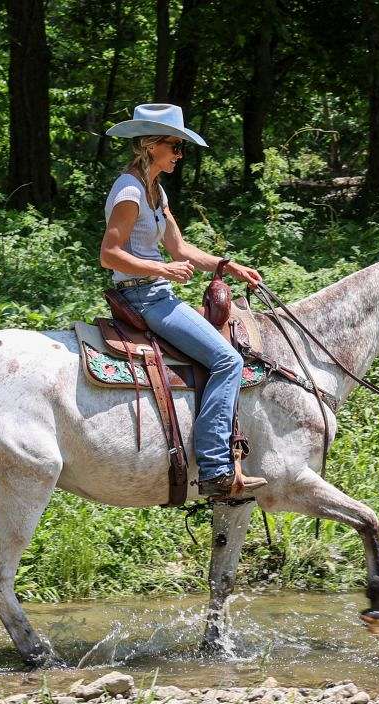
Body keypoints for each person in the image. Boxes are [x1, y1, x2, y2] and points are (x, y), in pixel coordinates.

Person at [99, 103, 267, 499]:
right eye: (175, 146)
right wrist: (162, 271)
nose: (179, 154)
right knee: (228, 359)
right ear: (152, 145)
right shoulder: (129, 191)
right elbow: (109, 253)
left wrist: (227, 266)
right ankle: (214, 467)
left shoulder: (155, 191)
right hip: (144, 296)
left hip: (157, 291)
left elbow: (179, 247)